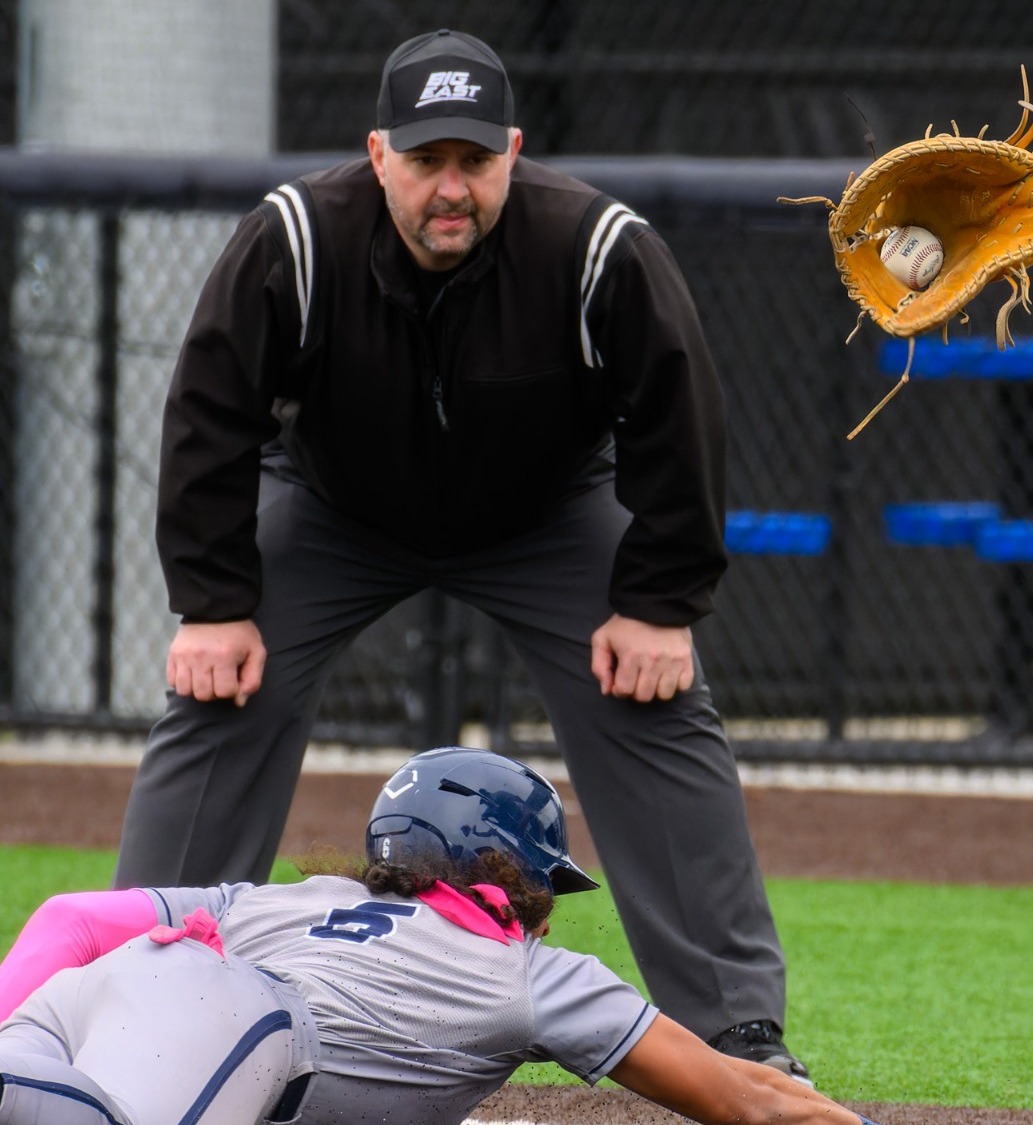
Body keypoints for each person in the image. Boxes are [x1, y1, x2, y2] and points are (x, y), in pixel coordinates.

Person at [116, 28, 809, 1080]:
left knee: (655, 701)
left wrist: (659, 603)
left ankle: (737, 1033)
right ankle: (131, 987)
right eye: (427, 159)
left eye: (475, 161)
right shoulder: (296, 237)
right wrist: (212, 603)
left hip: (545, 511)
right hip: (334, 504)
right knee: (220, 690)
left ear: (513, 152)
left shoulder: (596, 246)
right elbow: (209, 414)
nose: (452, 187)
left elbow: (681, 420)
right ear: (377, 151)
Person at [0, 746, 875, 1125]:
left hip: (90, 1004)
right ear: (508, 875)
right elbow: (747, 1098)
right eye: (545, 883)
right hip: (236, 1023)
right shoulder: (529, 973)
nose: (549, 907)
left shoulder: (276, 899)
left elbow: (67, 920)